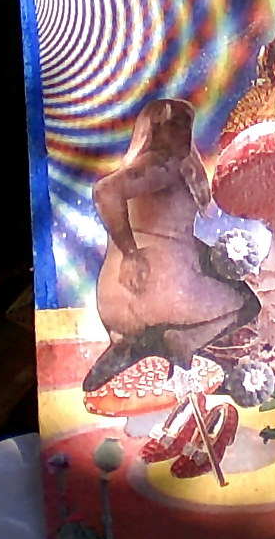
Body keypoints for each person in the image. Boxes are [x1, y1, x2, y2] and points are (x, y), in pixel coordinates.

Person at [83, 98, 258, 391]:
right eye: (173, 124)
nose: (183, 131)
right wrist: (131, 254)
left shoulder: (164, 168)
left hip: (115, 299)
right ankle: (186, 340)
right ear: (153, 129)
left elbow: (174, 230)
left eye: (186, 123)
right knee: (248, 303)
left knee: (217, 282)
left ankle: (129, 343)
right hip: (162, 291)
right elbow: (105, 191)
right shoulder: (159, 166)